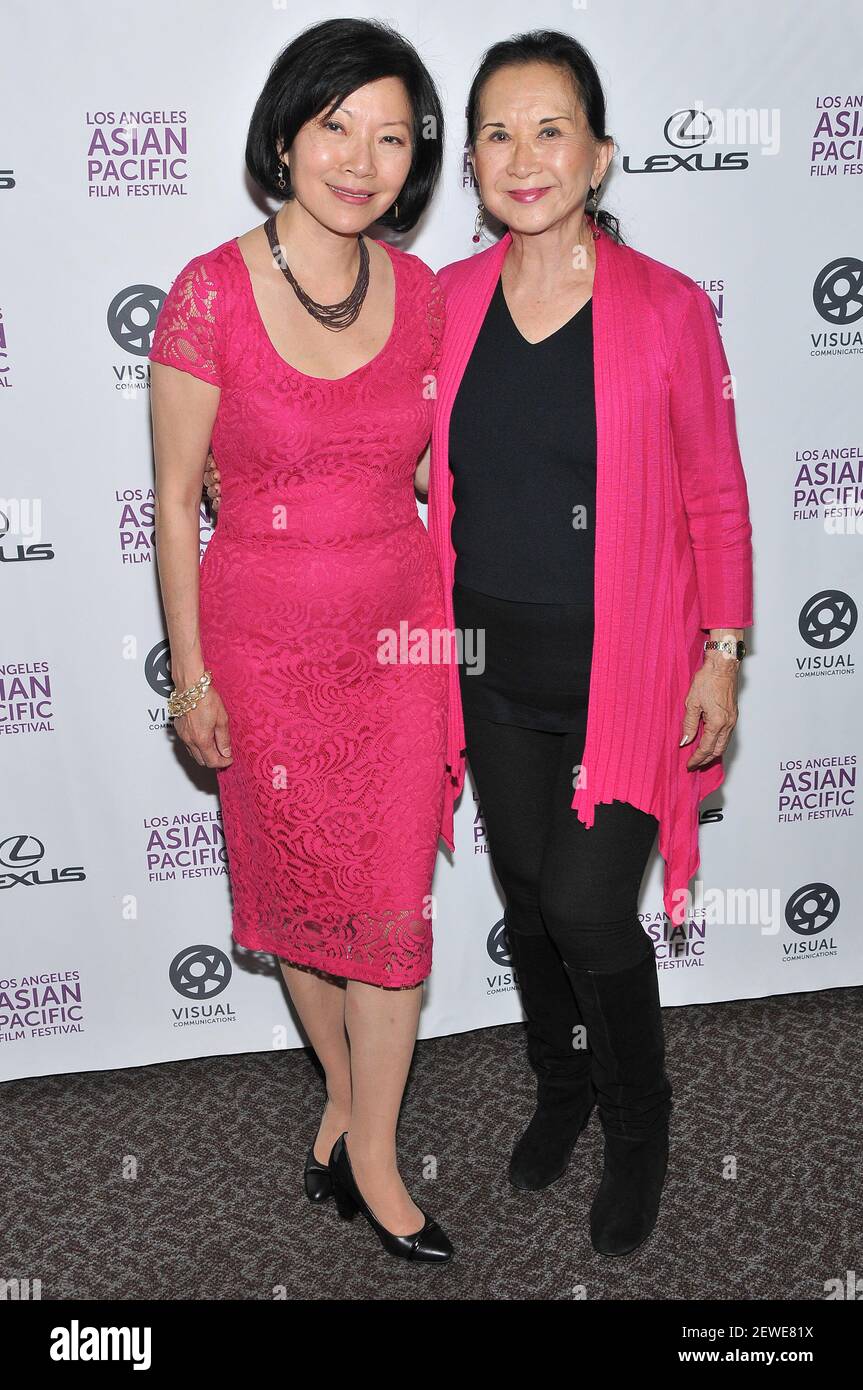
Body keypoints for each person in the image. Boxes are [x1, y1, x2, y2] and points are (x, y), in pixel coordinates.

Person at [425, 29, 753, 1257]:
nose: (524, 154)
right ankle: (559, 1087)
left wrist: (722, 648)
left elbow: (714, 497)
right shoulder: (445, 307)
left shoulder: (667, 310)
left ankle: (638, 1120)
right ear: (472, 162)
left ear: (601, 155)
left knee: (585, 906)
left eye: (550, 127)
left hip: (628, 682)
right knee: (526, 896)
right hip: (490, 681)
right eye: (498, 132)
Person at [148, 18, 453, 1264]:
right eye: (338, 125)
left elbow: (448, 472)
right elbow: (175, 498)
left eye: (391, 136)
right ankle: (344, 1106)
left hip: (400, 643)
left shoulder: (426, 293)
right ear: (286, 133)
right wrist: (191, 675)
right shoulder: (208, 291)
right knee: (305, 906)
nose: (362, 159)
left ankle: (371, 1155)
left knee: (387, 908)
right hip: (260, 649)